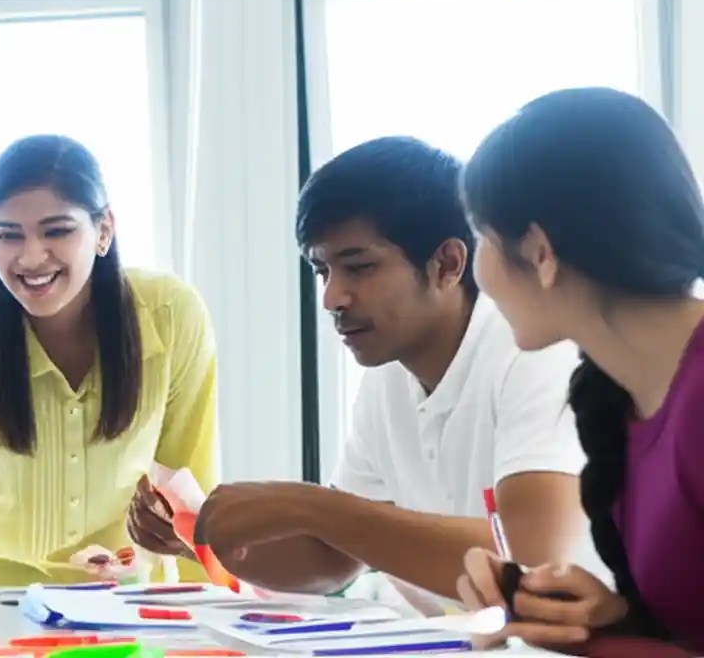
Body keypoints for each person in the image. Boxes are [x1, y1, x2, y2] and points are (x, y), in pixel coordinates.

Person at [139, 136, 593, 605]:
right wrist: (202, 533)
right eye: (322, 271)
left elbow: (527, 562)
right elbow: (331, 562)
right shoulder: (387, 378)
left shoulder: (532, 353)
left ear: (448, 264)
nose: (332, 298)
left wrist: (310, 506)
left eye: (359, 267)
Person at [0, 134, 218, 586]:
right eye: (8, 235)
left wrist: (200, 620)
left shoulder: (171, 316)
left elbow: (190, 485)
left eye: (57, 231)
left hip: (131, 597)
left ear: (103, 229)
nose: (31, 257)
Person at [457, 88, 704, 653]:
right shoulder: (623, 399)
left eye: (481, 237)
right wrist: (603, 621)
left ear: (541, 253)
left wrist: (602, 644)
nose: (479, 271)